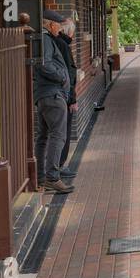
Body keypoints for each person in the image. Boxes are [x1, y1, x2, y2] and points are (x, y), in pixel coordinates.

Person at [34, 9, 73, 194]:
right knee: (58, 136)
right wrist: (62, 78)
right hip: (53, 95)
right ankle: (52, 177)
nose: (60, 29)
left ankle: (41, 176)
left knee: (43, 137)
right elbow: (45, 64)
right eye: (58, 25)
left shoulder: (43, 39)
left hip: (44, 95)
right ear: (50, 24)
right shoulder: (46, 40)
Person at [55, 16, 79, 179]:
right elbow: (68, 74)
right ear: (68, 32)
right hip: (63, 95)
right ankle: (59, 165)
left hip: (59, 94)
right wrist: (72, 99)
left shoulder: (57, 43)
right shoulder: (63, 45)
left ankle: (56, 166)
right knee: (62, 132)